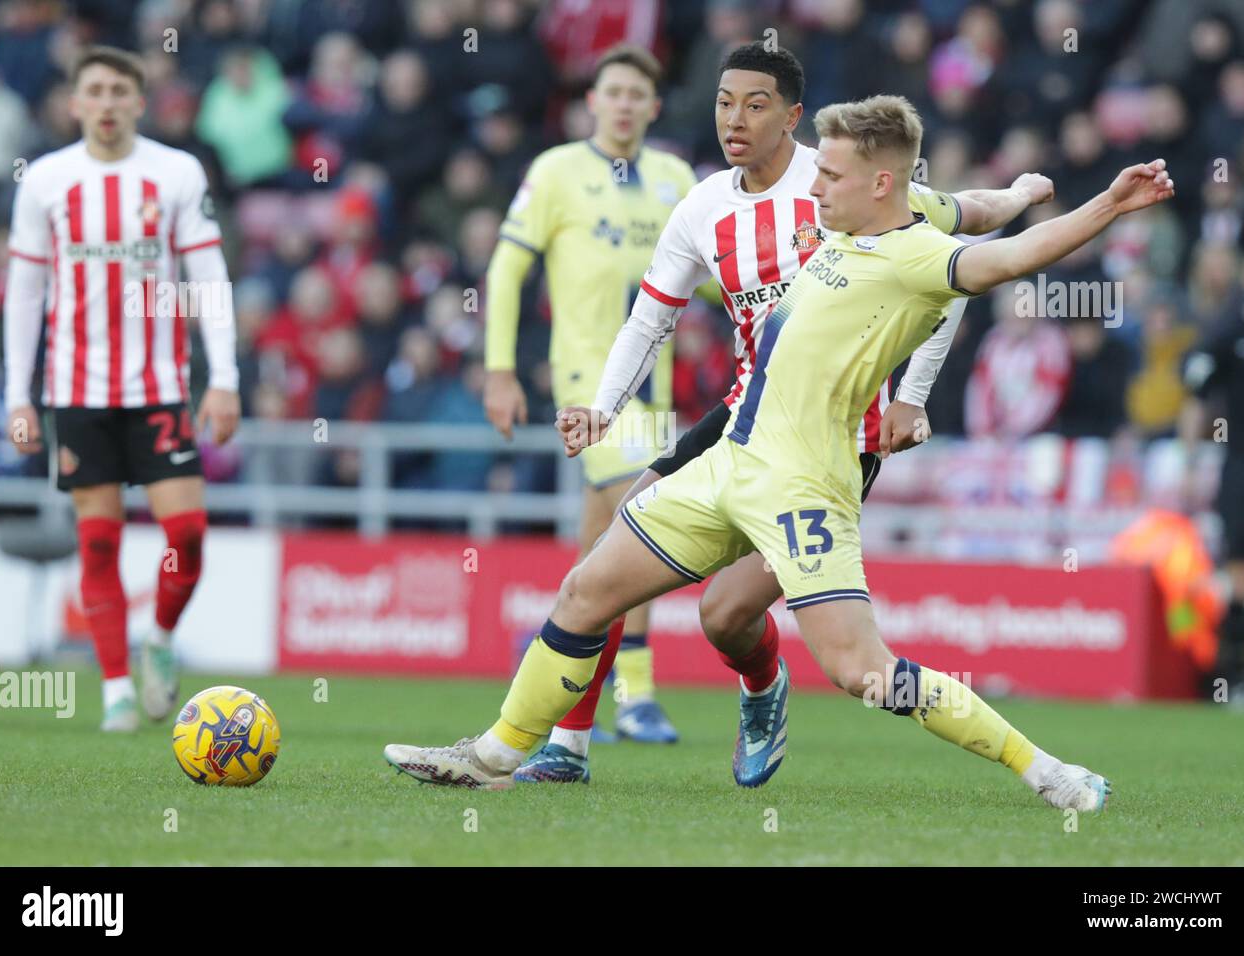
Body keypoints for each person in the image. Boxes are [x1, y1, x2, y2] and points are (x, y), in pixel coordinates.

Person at [384, 92, 1172, 810]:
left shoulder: (915, 256)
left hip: (803, 487)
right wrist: (1024, 192)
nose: (814, 187)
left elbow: (1006, 258)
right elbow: (980, 207)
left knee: (865, 674)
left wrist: (1106, 203)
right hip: (728, 459)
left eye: (829, 175)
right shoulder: (839, 230)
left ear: (881, 185)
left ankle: (1047, 772)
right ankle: (493, 755)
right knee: (587, 589)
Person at [517, 42, 1053, 786]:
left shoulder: (844, 183)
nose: (734, 119)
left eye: (755, 103)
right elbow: (649, 321)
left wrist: (910, 395)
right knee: (608, 557)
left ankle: (763, 688)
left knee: (725, 617)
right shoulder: (703, 208)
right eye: (723, 102)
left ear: (793, 116)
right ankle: (567, 747)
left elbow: (957, 245)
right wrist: (602, 410)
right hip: (743, 412)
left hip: (835, 438)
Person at [2, 47, 240, 731]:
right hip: (77, 390)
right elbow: (25, 292)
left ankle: (159, 638)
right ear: (75, 104)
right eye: (94, 91)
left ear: (139, 101)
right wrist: (20, 394)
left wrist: (223, 378)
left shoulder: (175, 172)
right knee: (99, 543)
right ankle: (114, 690)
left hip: (159, 387)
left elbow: (209, 278)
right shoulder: (46, 180)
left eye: (118, 91)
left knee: (187, 534)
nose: (105, 103)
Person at [483, 44, 698, 743]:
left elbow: (717, 276)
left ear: (654, 107)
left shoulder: (674, 178)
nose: (626, 103)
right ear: (593, 102)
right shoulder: (555, 172)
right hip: (589, 383)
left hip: (654, 388)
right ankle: (635, 692)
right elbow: (508, 268)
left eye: (639, 93)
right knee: (644, 524)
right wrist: (499, 369)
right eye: (614, 91)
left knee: (597, 553)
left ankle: (551, 692)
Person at [1182, 245, 1244, 703]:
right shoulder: (1228, 336)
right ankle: (1234, 675)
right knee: (1239, 568)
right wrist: (1188, 460)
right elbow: (1197, 395)